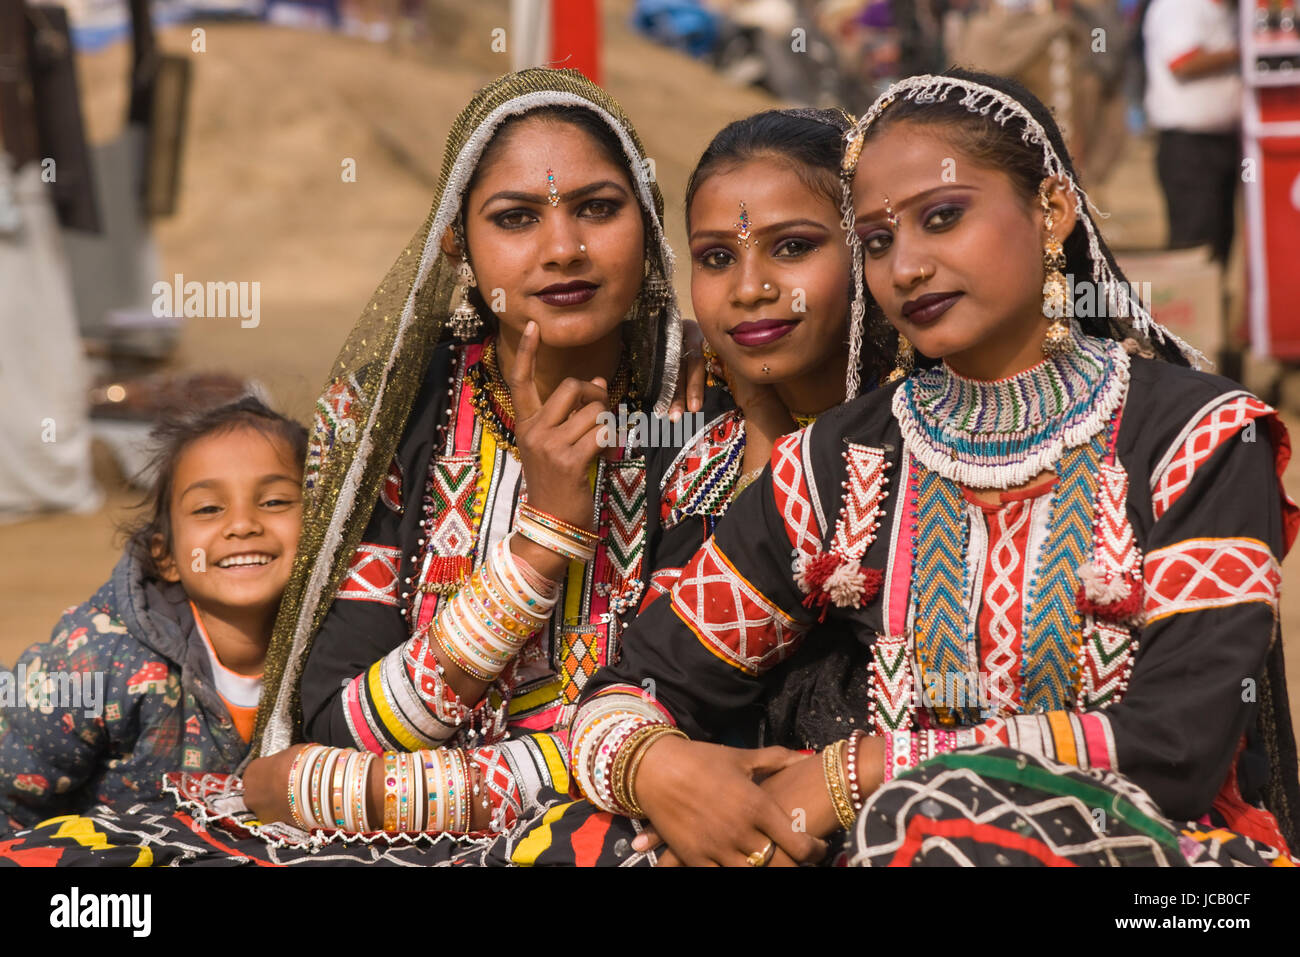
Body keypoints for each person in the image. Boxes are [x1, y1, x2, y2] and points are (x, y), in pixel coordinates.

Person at [569, 68, 1300, 867]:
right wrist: (664, 770)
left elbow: (1176, 745)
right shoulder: (839, 464)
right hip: (890, 847)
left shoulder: (1200, 436)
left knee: (929, 826)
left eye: (942, 218)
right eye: (878, 241)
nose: (907, 266)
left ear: (1052, 209)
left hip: (1163, 866)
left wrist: (862, 772)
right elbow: (636, 684)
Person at [232, 66, 691, 844]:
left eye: (599, 209)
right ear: (458, 246)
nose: (563, 249)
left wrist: (371, 791)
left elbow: (693, 729)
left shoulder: (703, 412)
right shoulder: (394, 415)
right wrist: (539, 546)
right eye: (515, 218)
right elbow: (339, 724)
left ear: (645, 223)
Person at [0, 396, 305, 834]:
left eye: (275, 502)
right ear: (167, 558)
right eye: (208, 509)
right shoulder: (99, 661)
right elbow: (11, 791)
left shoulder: (342, 659)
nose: (243, 524)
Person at [1143, 0, 1242, 263]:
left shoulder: (1228, 10)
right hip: (1188, 146)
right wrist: (1242, 53)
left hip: (1222, 142)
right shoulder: (1180, 6)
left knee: (1220, 239)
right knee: (1194, 243)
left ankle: (1212, 301)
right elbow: (1183, 62)